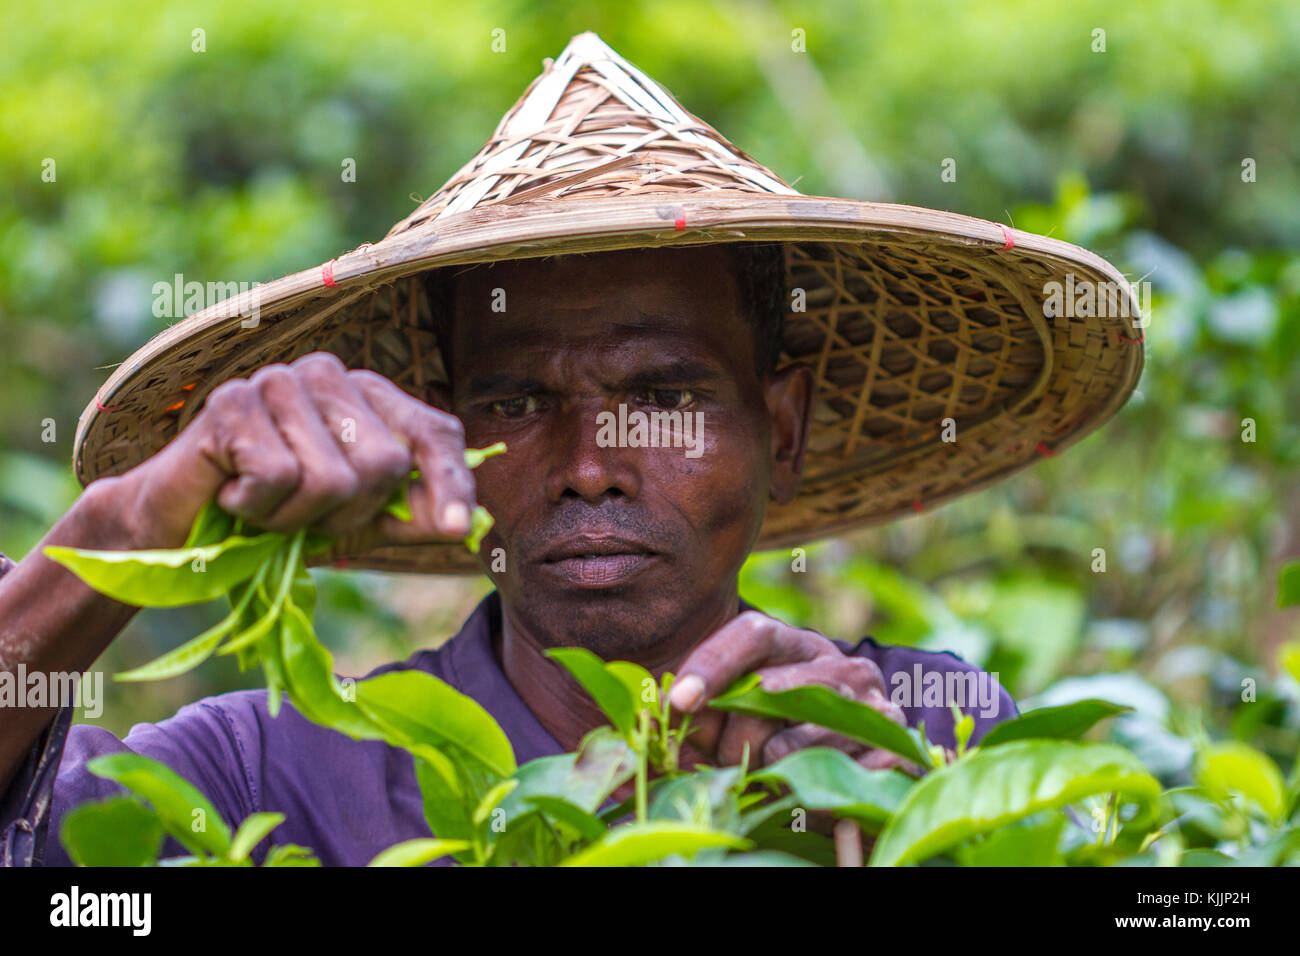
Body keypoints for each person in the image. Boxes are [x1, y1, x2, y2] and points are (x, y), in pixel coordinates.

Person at [0, 33, 1141, 866]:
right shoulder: (275, 770)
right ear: (440, 438)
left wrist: (887, 825)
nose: (591, 461)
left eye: (662, 391)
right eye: (514, 400)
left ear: (778, 429)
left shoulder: (931, 735)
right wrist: (127, 525)